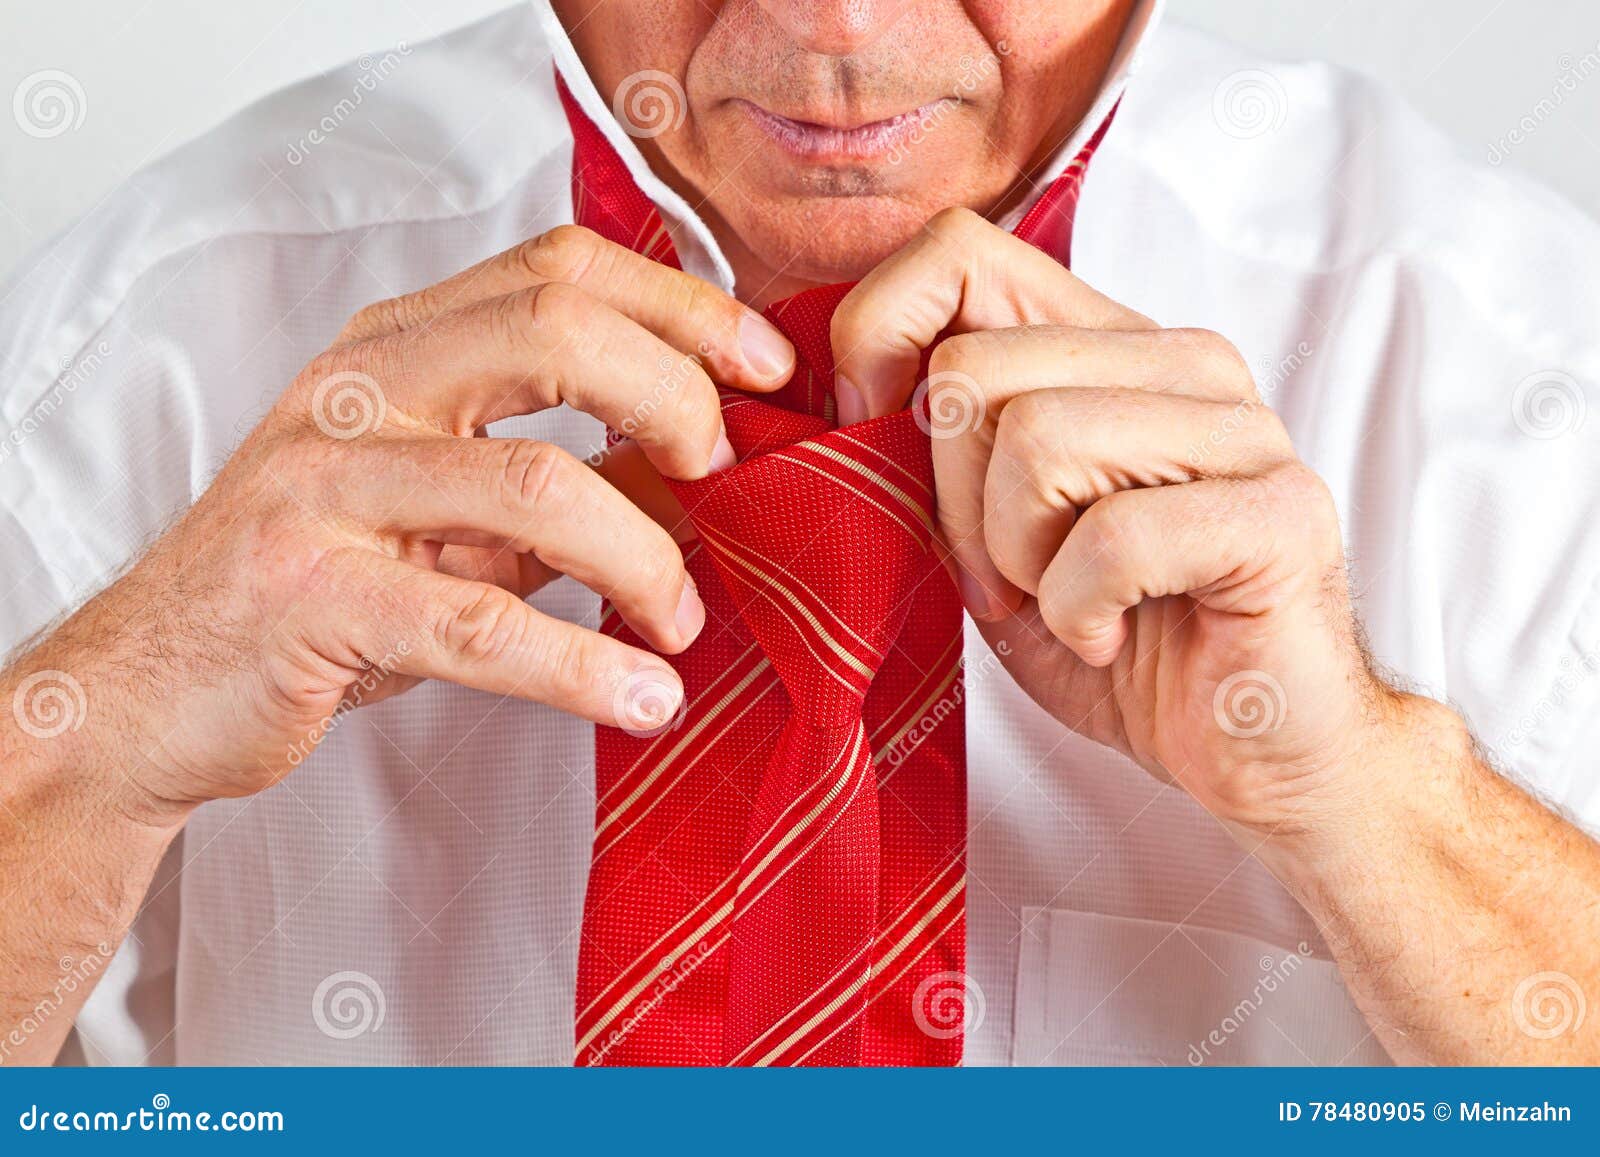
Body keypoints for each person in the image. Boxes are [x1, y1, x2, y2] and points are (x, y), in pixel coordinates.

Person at [2, 0, 1598, 1067]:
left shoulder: (1525, 375)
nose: (837, 27)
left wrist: (1366, 796)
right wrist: (93, 736)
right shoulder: (140, 336)